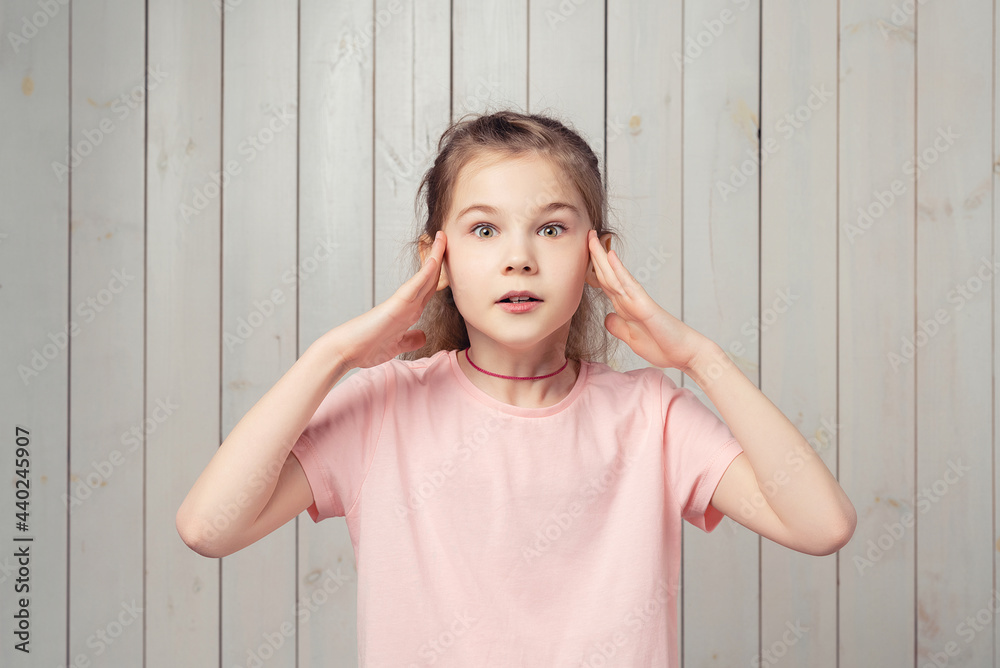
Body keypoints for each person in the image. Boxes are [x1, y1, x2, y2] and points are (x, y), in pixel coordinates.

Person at [176, 109, 857, 667]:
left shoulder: (652, 416)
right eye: (483, 229)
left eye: (552, 228)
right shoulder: (383, 407)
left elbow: (822, 525)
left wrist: (702, 358)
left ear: (599, 256)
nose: (519, 256)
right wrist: (332, 356)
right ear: (435, 258)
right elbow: (209, 527)